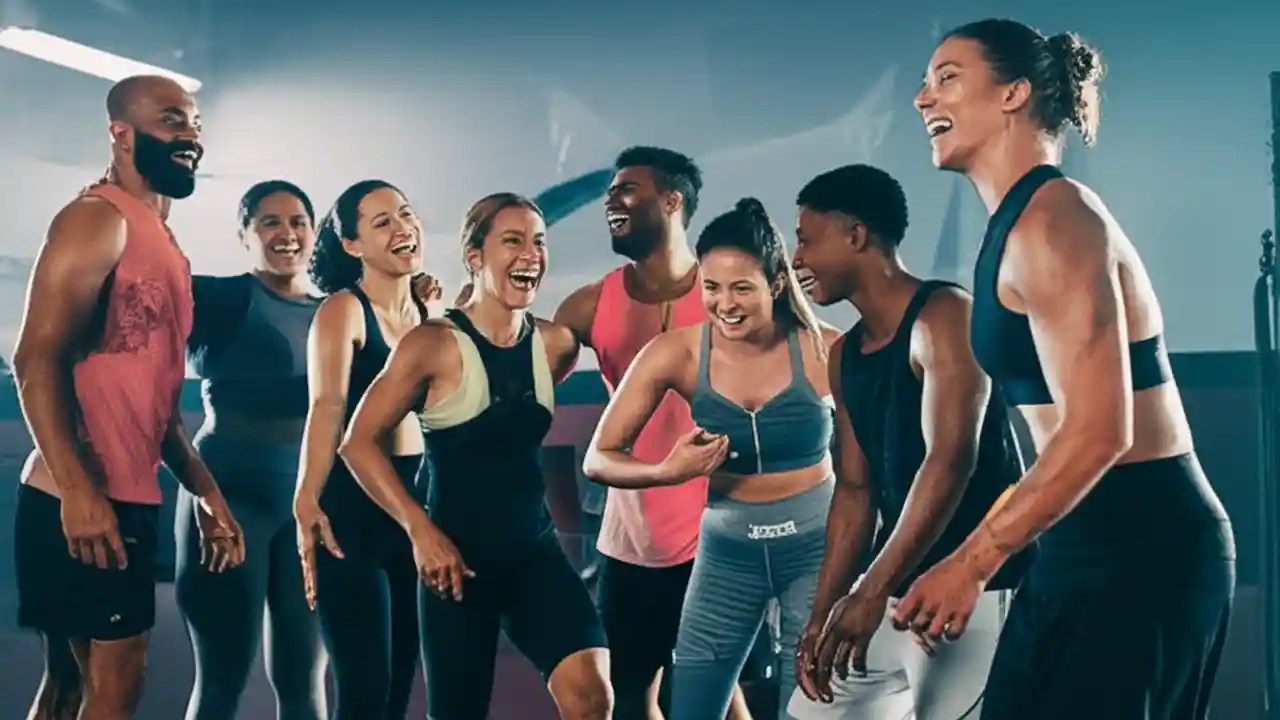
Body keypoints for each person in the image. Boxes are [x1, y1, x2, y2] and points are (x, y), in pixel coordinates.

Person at [896, 19, 1236, 719]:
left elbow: (1099, 432)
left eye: (947, 78)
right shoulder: (1018, 223)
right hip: (1077, 542)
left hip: (1144, 543)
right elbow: (1054, 443)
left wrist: (972, 562)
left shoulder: (1057, 220)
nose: (922, 100)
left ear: (1014, 93)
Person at [11, 74, 244, 720]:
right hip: (79, 499)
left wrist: (204, 489)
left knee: (67, 689)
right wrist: (81, 494)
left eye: (194, 123)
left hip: (122, 497)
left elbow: (155, 410)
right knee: (115, 685)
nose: (189, 136)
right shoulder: (95, 220)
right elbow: (34, 358)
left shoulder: (160, 239)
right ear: (121, 132)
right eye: (172, 121)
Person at [338, 192, 612, 719]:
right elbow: (359, 442)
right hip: (455, 566)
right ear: (475, 257)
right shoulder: (432, 345)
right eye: (512, 240)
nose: (530, 253)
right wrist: (421, 531)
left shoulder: (555, 345)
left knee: (591, 694)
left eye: (539, 241)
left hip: (535, 554)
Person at [784, 164, 1032, 719]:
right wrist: (823, 613)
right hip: (892, 592)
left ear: (855, 235)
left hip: (978, 592)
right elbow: (854, 491)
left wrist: (870, 592)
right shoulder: (845, 356)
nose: (796, 259)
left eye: (805, 240)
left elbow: (950, 461)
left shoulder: (947, 316)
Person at [584, 197, 841, 719]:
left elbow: (877, 466)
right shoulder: (674, 353)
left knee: (812, 704)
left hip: (815, 544)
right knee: (694, 707)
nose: (725, 304)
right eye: (712, 287)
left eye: (742, 287)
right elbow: (599, 457)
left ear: (774, 282)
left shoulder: (824, 350)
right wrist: (665, 472)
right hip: (728, 547)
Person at [555, 146, 751, 719]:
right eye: (610, 191)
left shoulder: (725, 291)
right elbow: (515, 364)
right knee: (632, 694)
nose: (611, 200)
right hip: (632, 534)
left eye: (628, 189)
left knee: (714, 692)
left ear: (673, 200)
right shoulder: (593, 304)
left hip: (720, 529)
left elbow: (812, 348)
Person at [177, 180, 329, 719]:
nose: (286, 234)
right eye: (270, 222)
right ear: (244, 234)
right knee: (223, 676)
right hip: (228, 500)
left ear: (314, 233)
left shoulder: (337, 313)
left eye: (298, 222)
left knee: (303, 676)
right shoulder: (220, 297)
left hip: (304, 509)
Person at [293, 179, 435, 719]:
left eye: (405, 213)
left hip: (415, 508)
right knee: (364, 692)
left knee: (399, 691)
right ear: (353, 245)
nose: (403, 228)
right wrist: (306, 498)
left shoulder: (430, 315)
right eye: (382, 223)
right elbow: (326, 405)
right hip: (350, 516)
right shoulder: (343, 311)